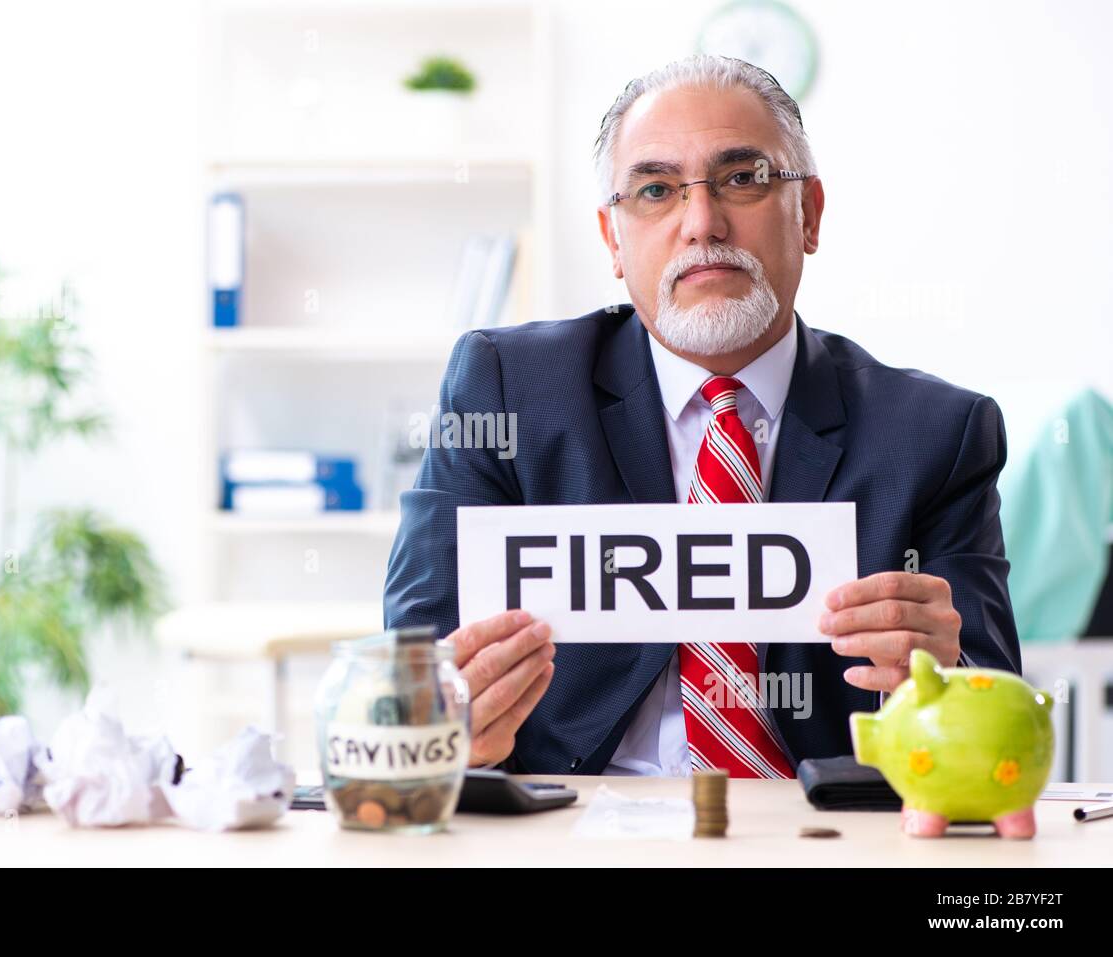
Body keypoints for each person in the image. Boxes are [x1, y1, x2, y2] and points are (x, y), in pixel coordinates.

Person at [383, 55, 1019, 777]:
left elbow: (998, 722)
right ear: (612, 240)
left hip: (825, 833)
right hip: (566, 824)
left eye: (742, 178)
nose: (701, 223)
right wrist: (448, 724)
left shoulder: (938, 432)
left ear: (808, 213)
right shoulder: (505, 390)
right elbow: (411, 673)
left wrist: (951, 674)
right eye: (655, 190)